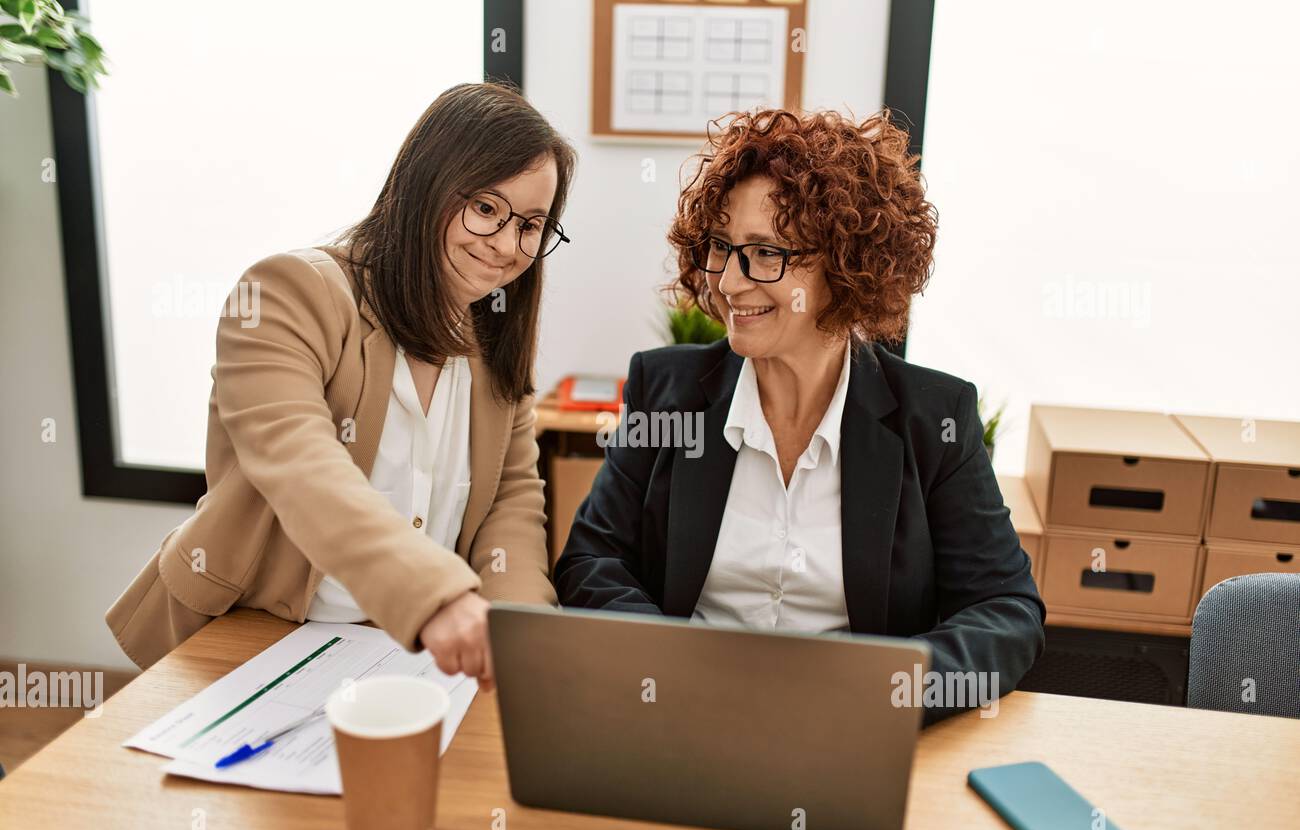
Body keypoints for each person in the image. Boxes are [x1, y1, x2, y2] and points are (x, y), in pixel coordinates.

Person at [555, 107, 1044, 723]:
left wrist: (876, 695)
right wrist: (673, 667)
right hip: (682, 719)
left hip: (848, 735)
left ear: (846, 266)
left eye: (765, 253)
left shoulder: (933, 419)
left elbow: (1006, 612)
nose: (730, 282)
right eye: (722, 248)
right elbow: (590, 563)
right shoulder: (666, 391)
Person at [107, 82, 575, 690]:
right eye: (486, 208)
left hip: (409, 665)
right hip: (254, 637)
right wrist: (436, 598)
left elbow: (510, 502)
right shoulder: (290, 292)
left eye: (532, 225)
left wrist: (519, 636)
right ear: (426, 187)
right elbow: (303, 467)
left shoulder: (496, 335)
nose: (509, 246)